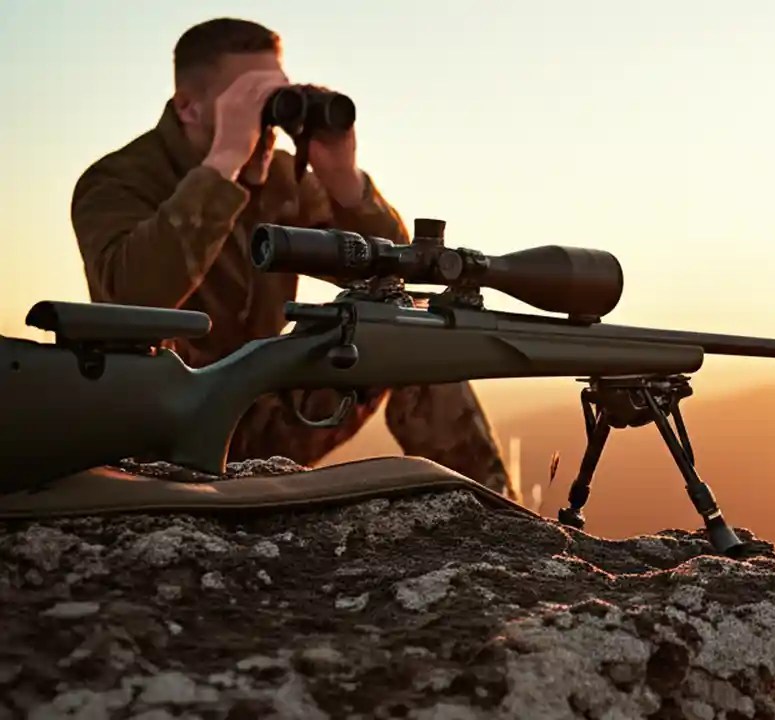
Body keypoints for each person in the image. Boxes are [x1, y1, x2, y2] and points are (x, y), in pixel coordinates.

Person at [69, 18, 514, 499]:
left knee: (411, 337)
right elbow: (134, 294)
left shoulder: (286, 181)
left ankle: (493, 513)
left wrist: (345, 181)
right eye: (248, 107)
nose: (267, 132)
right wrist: (222, 166)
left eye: (273, 106)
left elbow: (395, 271)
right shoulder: (116, 182)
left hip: (256, 410)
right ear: (188, 108)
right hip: (160, 427)